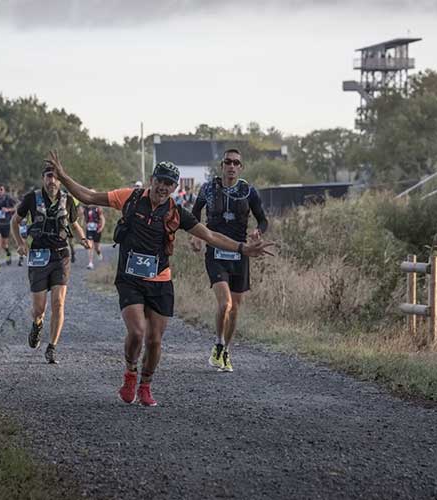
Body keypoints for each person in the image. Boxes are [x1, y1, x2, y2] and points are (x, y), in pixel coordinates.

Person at [48, 151, 273, 406]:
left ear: (175, 187)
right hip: (130, 279)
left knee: (154, 341)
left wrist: (243, 248)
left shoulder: (176, 212)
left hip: (160, 281)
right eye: (160, 181)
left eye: (169, 183)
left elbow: (210, 236)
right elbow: (88, 196)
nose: (163, 187)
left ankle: (146, 383)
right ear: (152, 180)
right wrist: (63, 176)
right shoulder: (130, 197)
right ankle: (130, 373)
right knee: (137, 332)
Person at [191, 149, 269, 373]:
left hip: (240, 252)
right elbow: (194, 215)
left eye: (236, 163)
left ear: (241, 167)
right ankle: (218, 344)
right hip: (215, 252)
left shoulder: (248, 191)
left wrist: (257, 231)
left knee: (235, 309)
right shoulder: (207, 189)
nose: (232, 166)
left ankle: (226, 351)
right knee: (225, 303)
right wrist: (196, 236)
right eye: (228, 162)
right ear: (222, 165)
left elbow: (263, 219)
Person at [12, 163, 89, 364]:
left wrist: (83, 239)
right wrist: (20, 243)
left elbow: (74, 223)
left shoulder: (68, 199)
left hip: (61, 255)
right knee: (39, 309)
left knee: (59, 303)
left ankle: (52, 347)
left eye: (55, 177)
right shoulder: (31, 198)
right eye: (48, 176)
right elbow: (14, 221)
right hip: (38, 255)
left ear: (60, 180)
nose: (52, 181)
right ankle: (37, 325)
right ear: (43, 179)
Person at [0, 184, 17, 273]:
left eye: (1, 189)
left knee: (4, 245)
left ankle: (8, 253)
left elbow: (17, 207)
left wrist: (8, 210)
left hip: (6, 223)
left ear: (4, 190)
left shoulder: (9, 198)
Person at [83, 201, 105, 269]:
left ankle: (98, 252)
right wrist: (84, 227)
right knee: (90, 246)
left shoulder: (98, 209)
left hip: (97, 229)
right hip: (89, 229)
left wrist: (101, 227)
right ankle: (90, 263)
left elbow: (102, 218)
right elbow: (84, 219)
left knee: (96, 247)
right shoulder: (86, 209)